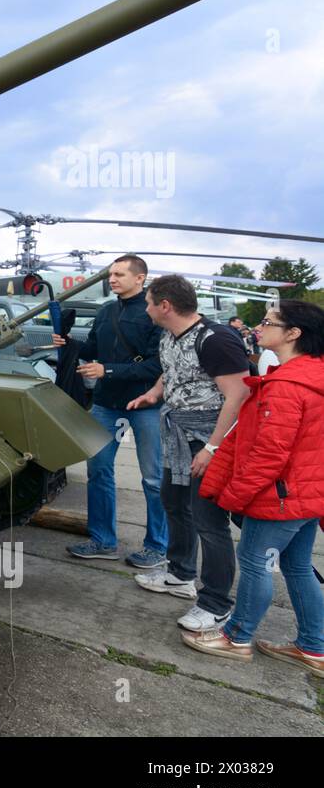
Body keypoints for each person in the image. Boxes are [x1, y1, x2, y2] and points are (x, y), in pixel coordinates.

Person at [180, 300, 324, 673]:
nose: (259, 328)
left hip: (279, 497)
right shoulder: (312, 375)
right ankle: (314, 646)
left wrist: (236, 496)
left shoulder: (287, 386)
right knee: (296, 567)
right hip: (305, 496)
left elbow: (268, 454)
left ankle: (236, 637)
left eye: (268, 322)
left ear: (293, 333)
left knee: (255, 563)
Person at [126, 274, 251, 634]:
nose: (146, 308)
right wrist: (153, 394)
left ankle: (215, 604)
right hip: (178, 436)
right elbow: (171, 372)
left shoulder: (216, 340)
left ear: (165, 306)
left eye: (149, 302)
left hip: (209, 440)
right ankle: (180, 573)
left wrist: (212, 448)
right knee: (173, 501)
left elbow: (238, 396)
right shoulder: (170, 336)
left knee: (208, 521)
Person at [51, 255, 168, 568]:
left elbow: (157, 365)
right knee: (98, 471)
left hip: (145, 406)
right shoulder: (106, 312)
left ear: (140, 278)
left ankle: (158, 547)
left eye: (119, 274)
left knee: (153, 479)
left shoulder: (155, 313)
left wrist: (108, 371)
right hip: (106, 406)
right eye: (111, 274)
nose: (112, 279)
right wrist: (69, 343)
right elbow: (92, 348)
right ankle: (103, 541)